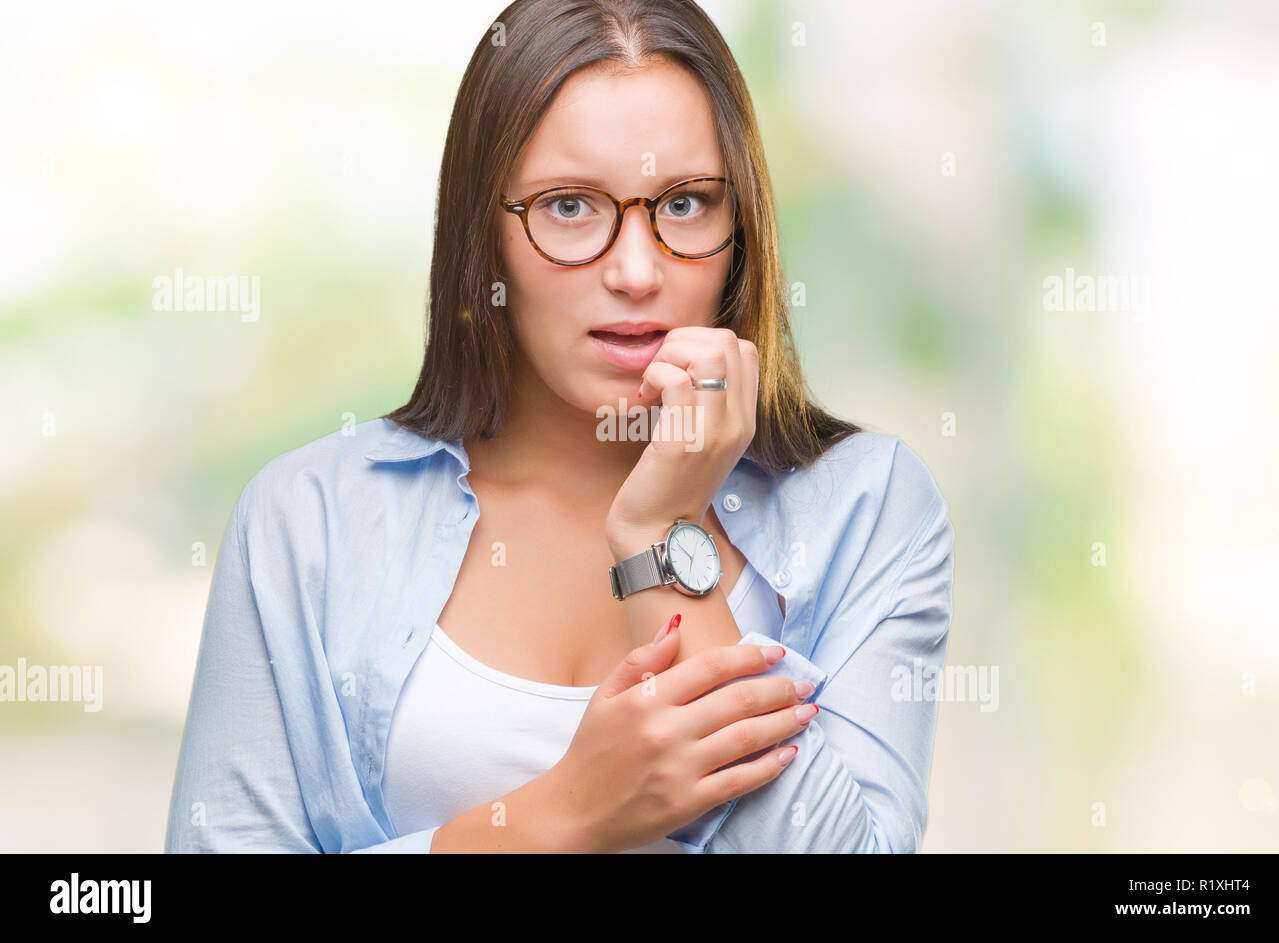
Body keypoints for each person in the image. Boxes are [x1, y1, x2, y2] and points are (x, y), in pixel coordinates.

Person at [164, 0, 955, 854]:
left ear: (743, 229)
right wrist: (565, 813)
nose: (637, 270)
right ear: (483, 231)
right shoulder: (308, 518)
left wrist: (661, 535)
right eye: (571, 206)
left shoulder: (869, 504)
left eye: (685, 203)